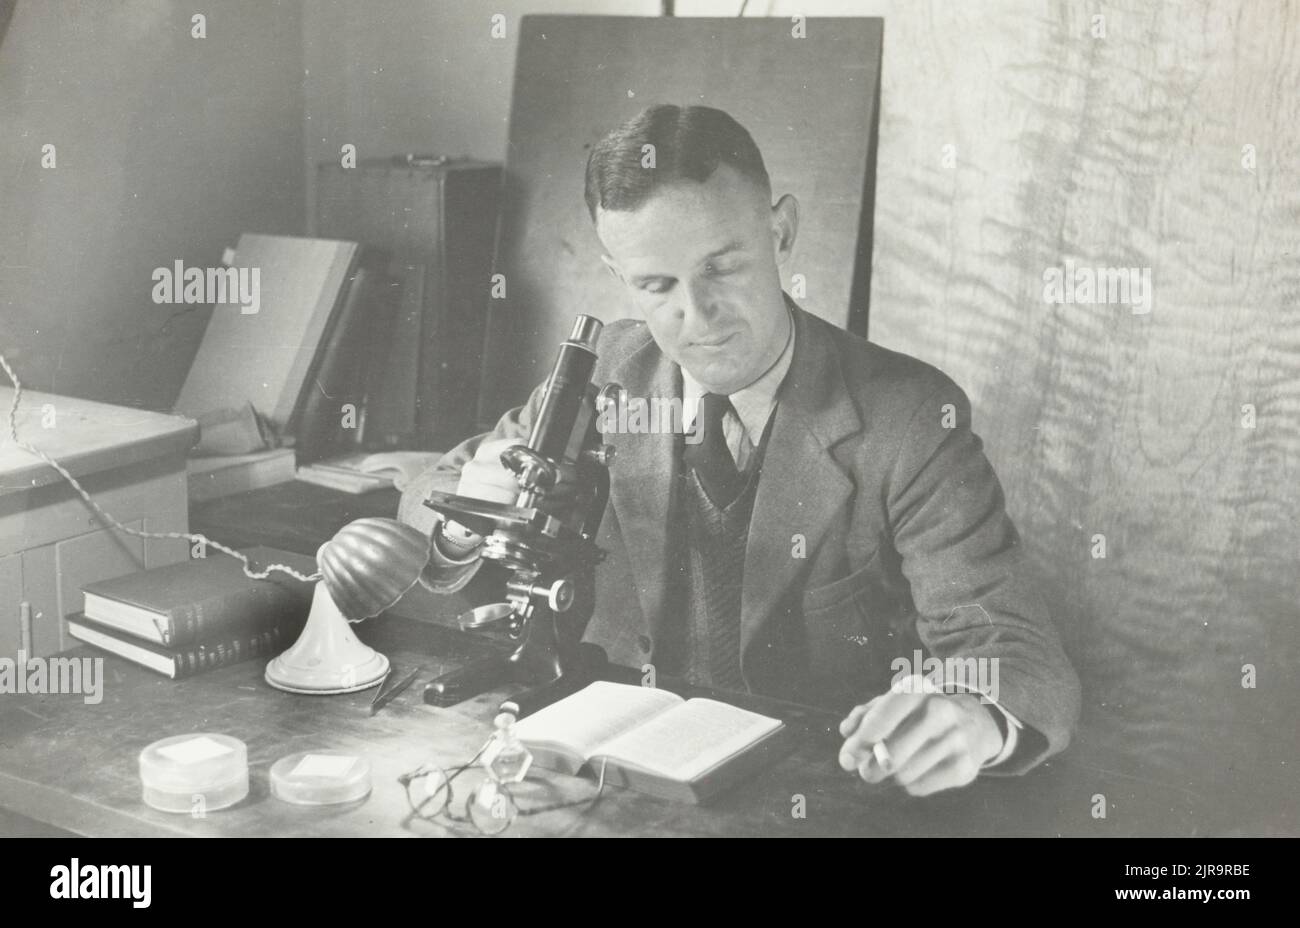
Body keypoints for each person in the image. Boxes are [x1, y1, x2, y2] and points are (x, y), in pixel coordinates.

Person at [399, 104, 1080, 796]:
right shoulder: (607, 367)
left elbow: (1012, 648)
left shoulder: (907, 417)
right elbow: (442, 485)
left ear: (780, 230)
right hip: (618, 784)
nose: (694, 316)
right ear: (617, 273)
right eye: (655, 285)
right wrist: (462, 522)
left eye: (721, 268)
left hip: (811, 795)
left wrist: (972, 716)